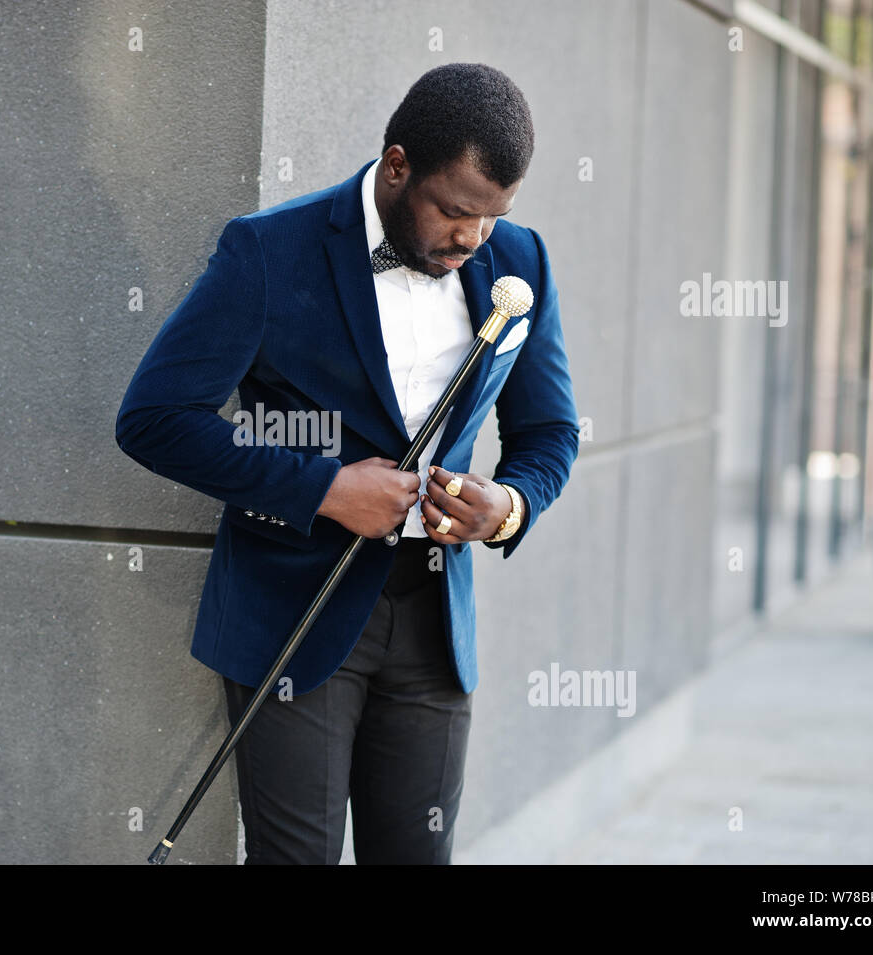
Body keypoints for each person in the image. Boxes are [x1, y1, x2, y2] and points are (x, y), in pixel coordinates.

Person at [116, 63, 579, 864]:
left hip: (435, 623)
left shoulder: (520, 262)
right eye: (455, 211)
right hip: (295, 613)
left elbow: (549, 431)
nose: (472, 240)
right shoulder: (267, 251)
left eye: (492, 218)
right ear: (396, 166)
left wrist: (506, 506)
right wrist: (323, 487)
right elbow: (155, 419)